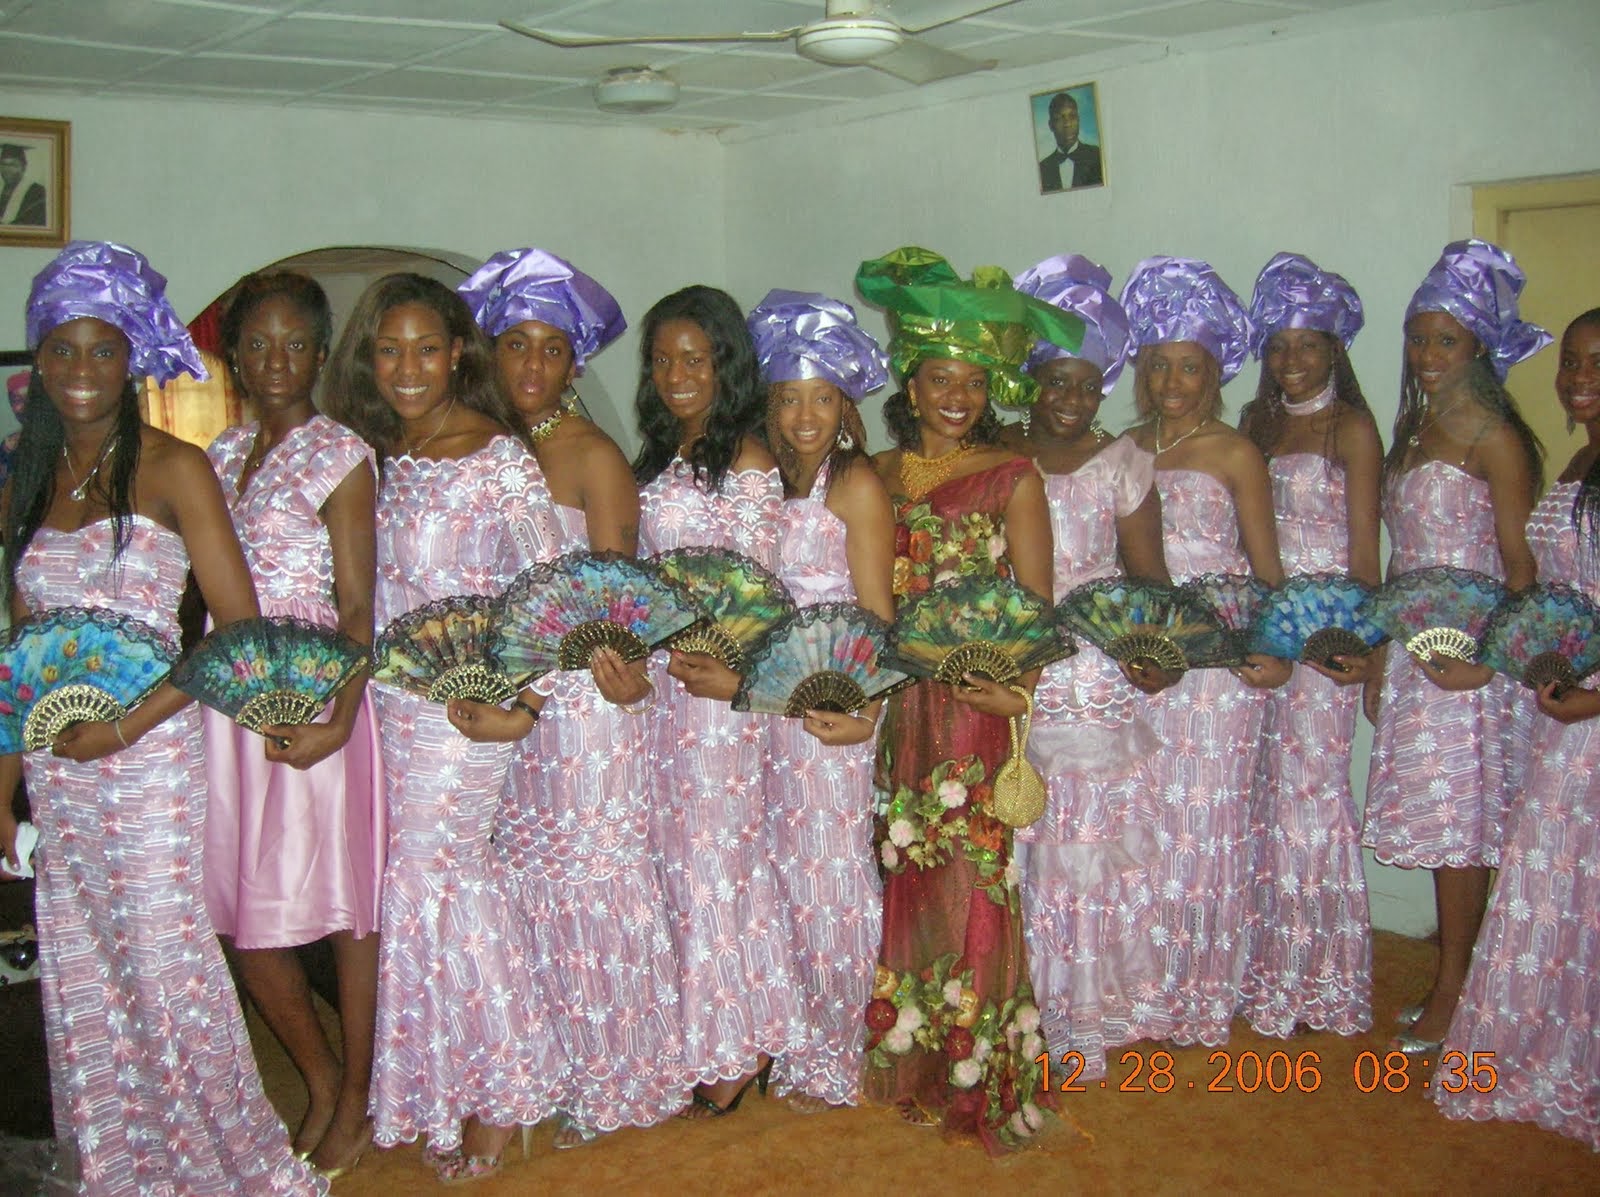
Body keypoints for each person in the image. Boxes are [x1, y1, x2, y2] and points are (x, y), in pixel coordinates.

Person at [0, 240, 322, 1194]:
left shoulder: (176, 469)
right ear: (39, 358)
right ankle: (124, 1164)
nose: (83, 369)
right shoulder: (23, 478)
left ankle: (230, 1169)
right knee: (86, 965)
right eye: (63, 349)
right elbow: (20, 660)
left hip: (144, 763)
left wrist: (124, 728)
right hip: (59, 771)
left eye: (104, 350)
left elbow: (239, 633)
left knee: (164, 967)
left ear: (132, 359)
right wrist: (5, 790)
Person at [323, 273, 566, 1181]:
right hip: (389, 705)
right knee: (412, 890)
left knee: (447, 878)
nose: (408, 368)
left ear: (458, 352)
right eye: (389, 349)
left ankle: (507, 1092)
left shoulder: (498, 456)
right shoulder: (381, 448)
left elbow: (552, 592)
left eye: (427, 348)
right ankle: (445, 1079)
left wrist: (523, 705)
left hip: (466, 713)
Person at [457, 248, 685, 1147]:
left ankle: (621, 1072)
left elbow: (621, 607)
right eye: (516, 344)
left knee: (591, 882)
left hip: (583, 711)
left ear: (574, 362)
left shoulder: (594, 455)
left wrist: (609, 672)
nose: (532, 364)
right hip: (500, 707)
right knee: (518, 885)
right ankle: (540, 1065)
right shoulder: (475, 451)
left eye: (551, 349)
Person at [857, 246, 1076, 1152]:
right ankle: (917, 1054)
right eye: (940, 378)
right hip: (901, 706)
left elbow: (1038, 610)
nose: (957, 396)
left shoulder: (1013, 475)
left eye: (974, 382)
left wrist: (1015, 691)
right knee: (906, 870)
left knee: (978, 878)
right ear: (909, 383)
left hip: (974, 710)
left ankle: (984, 1070)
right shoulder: (875, 471)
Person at [200, 270, 384, 1173]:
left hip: (319, 695)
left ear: (319, 354)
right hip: (230, 703)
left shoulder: (340, 452)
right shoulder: (220, 451)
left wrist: (340, 718)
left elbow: (357, 605)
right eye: (258, 343)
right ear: (235, 355)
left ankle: (358, 1095)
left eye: (296, 343)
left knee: (346, 908)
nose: (277, 359)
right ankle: (318, 1075)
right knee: (236, 907)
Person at [1362, 240, 1549, 1054]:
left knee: (1464, 831)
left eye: (1446, 339)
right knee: (1443, 829)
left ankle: (1453, 992)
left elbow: (1521, 570)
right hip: (1415, 651)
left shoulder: (1495, 439)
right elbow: (1401, 559)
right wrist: (1380, 651)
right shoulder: (1415, 427)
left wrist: (1487, 663)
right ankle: (1460, 979)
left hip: (1470, 662)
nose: (1428, 354)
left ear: (1479, 345)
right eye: (1419, 337)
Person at [632, 284, 806, 1118]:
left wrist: (733, 674)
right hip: (663, 697)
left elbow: (762, 593)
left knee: (716, 865)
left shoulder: (749, 461)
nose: (677, 375)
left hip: (717, 699)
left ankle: (740, 1041)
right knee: (678, 863)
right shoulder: (659, 455)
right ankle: (720, 1029)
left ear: (725, 365)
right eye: (663, 360)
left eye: (695, 359)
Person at [1434, 308, 1600, 1148]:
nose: (1579, 376)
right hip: (1561, 700)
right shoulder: (1578, 459)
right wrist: (1502, 661)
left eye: (1597, 362)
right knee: (1561, 888)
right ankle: (1552, 1049)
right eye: (1572, 360)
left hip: (1592, 712)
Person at [1007, 253, 1175, 1079]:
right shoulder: (1003, 456)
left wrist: (1156, 653)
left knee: (1086, 839)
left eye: (1087, 387)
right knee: (1026, 829)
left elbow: (1152, 582)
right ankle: (1027, 993)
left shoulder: (1123, 462)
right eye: (1057, 384)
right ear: (1031, 384)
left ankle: (1089, 1005)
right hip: (1020, 666)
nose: (1072, 401)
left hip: (1096, 678)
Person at [1121, 255, 1291, 1047]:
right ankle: (1142, 983)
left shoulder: (1235, 452)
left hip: (1219, 671)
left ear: (1214, 370)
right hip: (1147, 663)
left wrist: (1276, 649)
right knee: (1146, 820)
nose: (1172, 381)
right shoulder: (1122, 448)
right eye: (1159, 365)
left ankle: (1198, 988)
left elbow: (1268, 573)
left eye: (1188, 366)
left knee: (1206, 821)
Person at [745, 289, 895, 1112]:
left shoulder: (855, 483)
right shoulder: (768, 480)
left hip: (835, 716)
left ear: (845, 406)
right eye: (790, 399)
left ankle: (836, 1049)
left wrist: (865, 714)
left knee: (829, 876)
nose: (806, 416)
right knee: (778, 872)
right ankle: (791, 1032)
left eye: (822, 398)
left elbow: (878, 617)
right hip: (770, 712)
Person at [1237, 252, 1381, 1038]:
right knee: (1263, 795)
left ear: (1334, 349)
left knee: (1312, 797)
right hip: (1263, 632)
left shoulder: (1350, 427)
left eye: (1307, 345)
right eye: (1279, 345)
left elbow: (1364, 559)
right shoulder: (1254, 423)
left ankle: (1313, 979)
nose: (1291, 359)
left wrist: (1364, 649)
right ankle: (1261, 963)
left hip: (1325, 642)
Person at [1037, 93, 1103, 192]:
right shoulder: (1042, 168)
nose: (1067, 124)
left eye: (1072, 116)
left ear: (1078, 120)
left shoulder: (1097, 156)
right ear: (1051, 125)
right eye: (1059, 118)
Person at [0, 143, 46, 226]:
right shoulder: (2, 189)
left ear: (23, 167)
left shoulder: (37, 192)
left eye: (13, 165)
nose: (7, 169)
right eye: (3, 164)